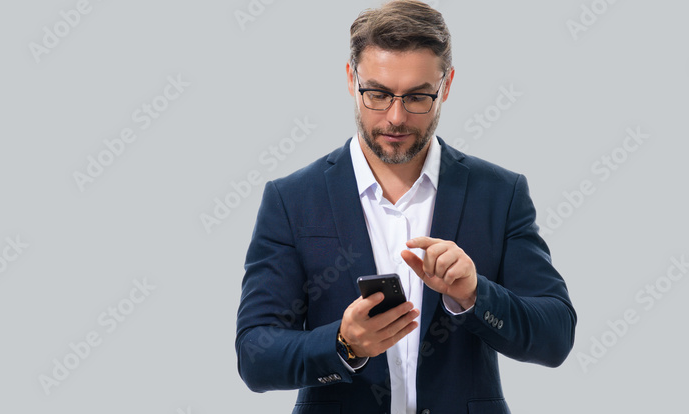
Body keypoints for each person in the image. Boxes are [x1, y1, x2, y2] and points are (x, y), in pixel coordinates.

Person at [234, 1, 577, 413]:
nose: (395, 118)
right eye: (377, 93)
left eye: (417, 97)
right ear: (350, 79)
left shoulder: (500, 193)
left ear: (446, 86)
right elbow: (255, 355)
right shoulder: (291, 199)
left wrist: (474, 294)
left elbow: (555, 336)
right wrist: (343, 343)